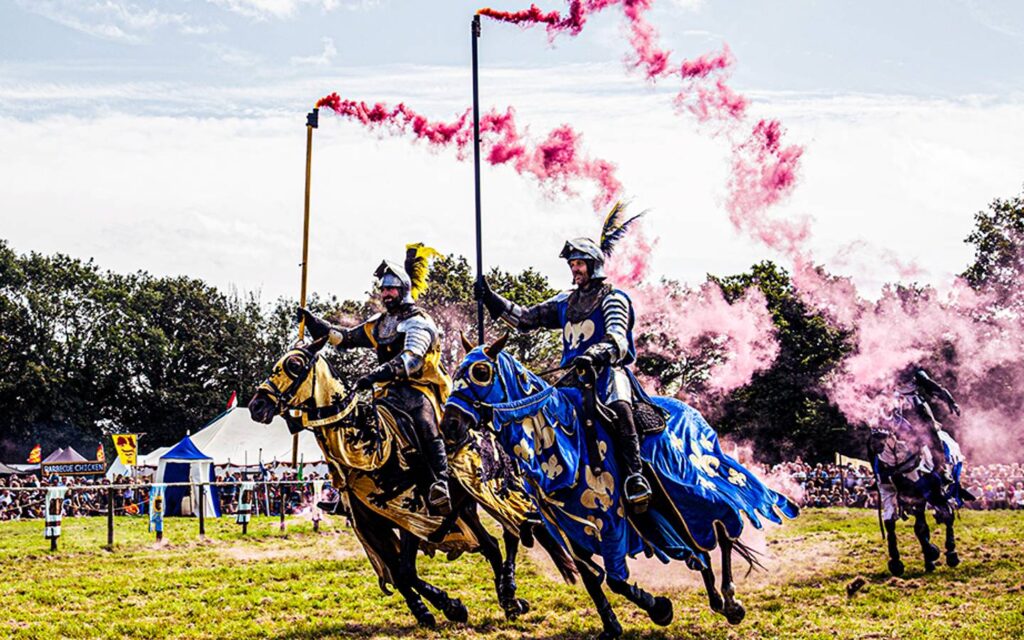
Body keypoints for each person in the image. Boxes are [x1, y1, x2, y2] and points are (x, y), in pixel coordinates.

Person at [474, 202, 654, 511]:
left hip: (607, 375)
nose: (574, 270)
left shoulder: (613, 299)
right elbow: (526, 319)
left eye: (579, 264)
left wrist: (597, 354)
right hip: (571, 380)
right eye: (571, 265)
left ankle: (635, 477)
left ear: (593, 264)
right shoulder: (565, 302)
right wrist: (492, 298)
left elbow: (618, 340)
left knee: (621, 408)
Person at [298, 244, 454, 514]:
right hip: (387, 394)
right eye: (383, 289)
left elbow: (411, 360)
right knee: (357, 426)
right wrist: (314, 322)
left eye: (390, 288)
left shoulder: (419, 322)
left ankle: (441, 483)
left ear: (403, 290)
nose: (385, 293)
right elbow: (344, 339)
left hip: (419, 390)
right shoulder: (380, 323)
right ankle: (350, 490)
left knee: (423, 421)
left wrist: (373, 375)